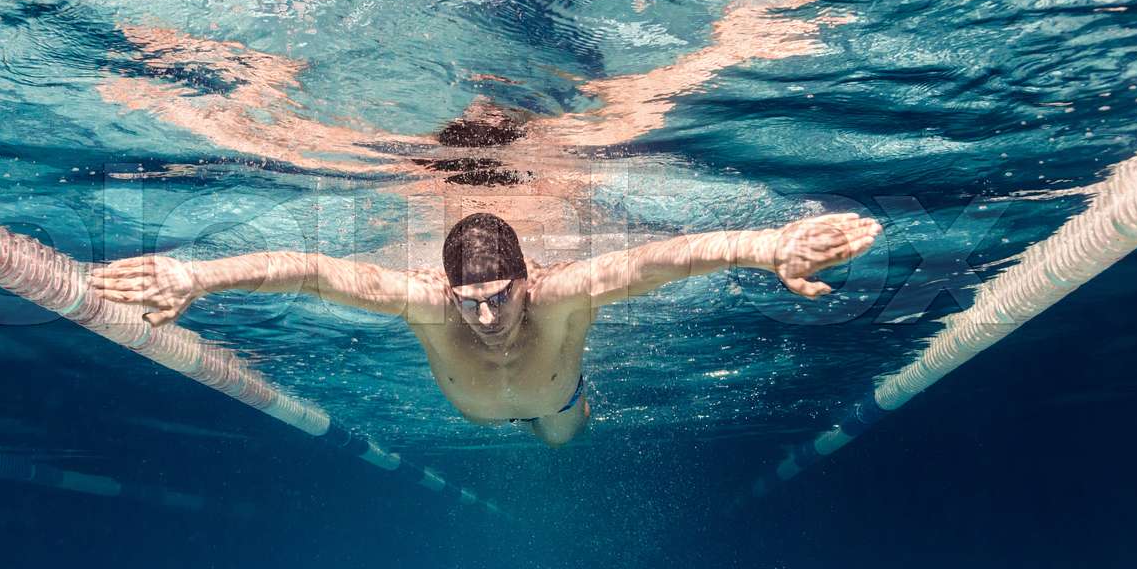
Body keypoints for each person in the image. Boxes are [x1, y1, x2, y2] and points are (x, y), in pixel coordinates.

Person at [91, 210, 881, 446]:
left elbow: (659, 261)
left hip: (555, 400)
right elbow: (315, 271)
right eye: (468, 300)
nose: (486, 316)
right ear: (447, 288)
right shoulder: (426, 302)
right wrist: (196, 276)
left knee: (561, 438)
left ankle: (566, 414)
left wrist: (767, 246)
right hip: (477, 407)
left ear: (529, 281)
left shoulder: (565, 294)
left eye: (500, 296)